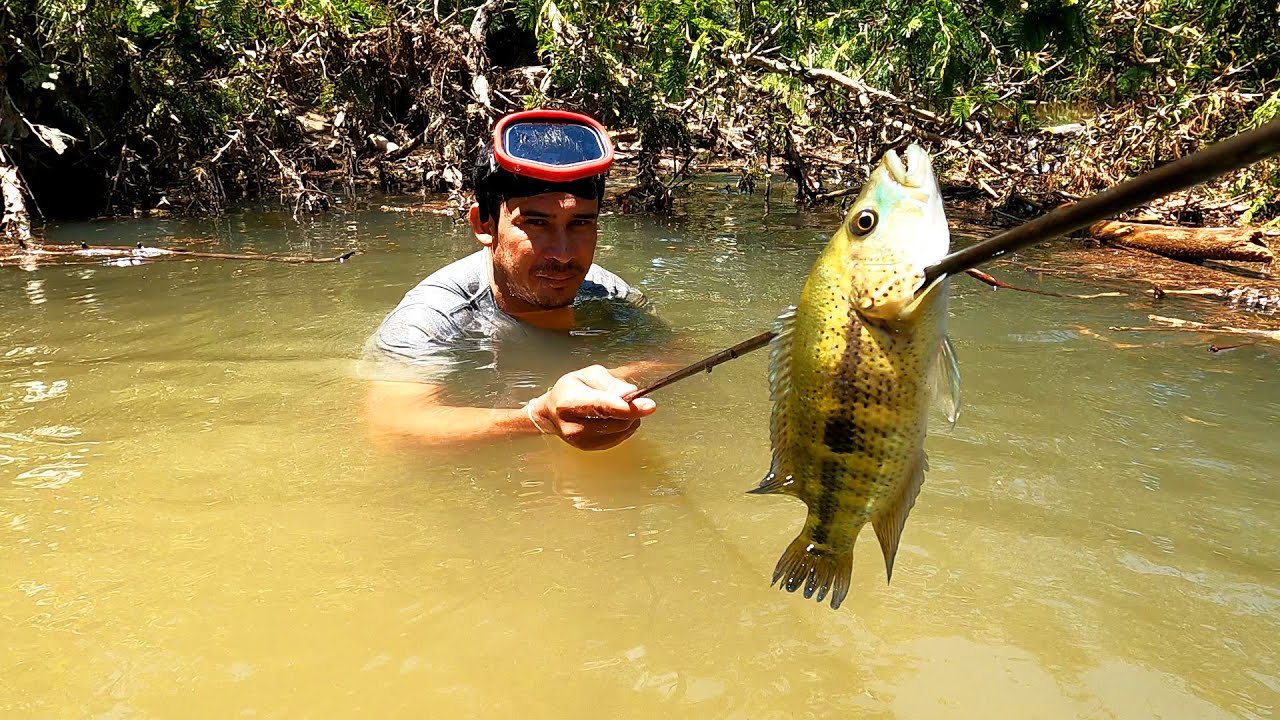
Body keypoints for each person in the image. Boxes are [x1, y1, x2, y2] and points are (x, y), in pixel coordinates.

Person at [362, 109, 660, 452]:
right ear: (484, 226)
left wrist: (614, 380)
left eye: (579, 223)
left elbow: (671, 353)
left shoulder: (609, 294)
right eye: (536, 223)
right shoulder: (432, 319)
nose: (563, 254)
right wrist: (538, 417)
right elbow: (390, 426)